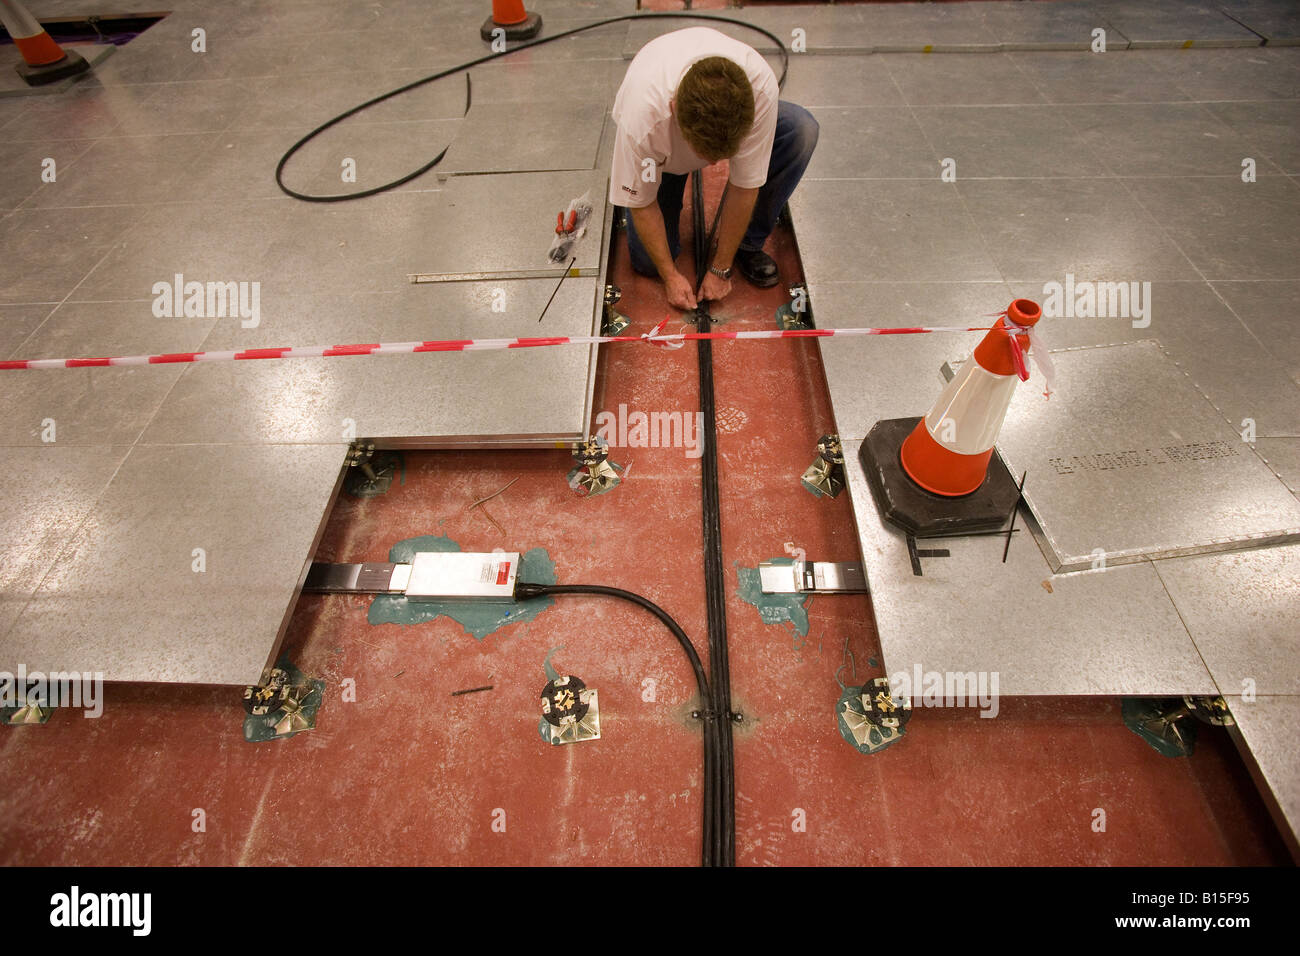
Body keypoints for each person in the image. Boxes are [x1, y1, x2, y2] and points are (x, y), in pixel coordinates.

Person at [609, 26, 819, 311]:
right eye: (705, 154)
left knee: (799, 130)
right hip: (664, 158)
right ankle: (675, 177)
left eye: (722, 156)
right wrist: (670, 275)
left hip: (700, 127)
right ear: (674, 109)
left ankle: (748, 242)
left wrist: (721, 268)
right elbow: (642, 205)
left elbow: (745, 186)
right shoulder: (643, 120)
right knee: (648, 264)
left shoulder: (759, 90)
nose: (713, 165)